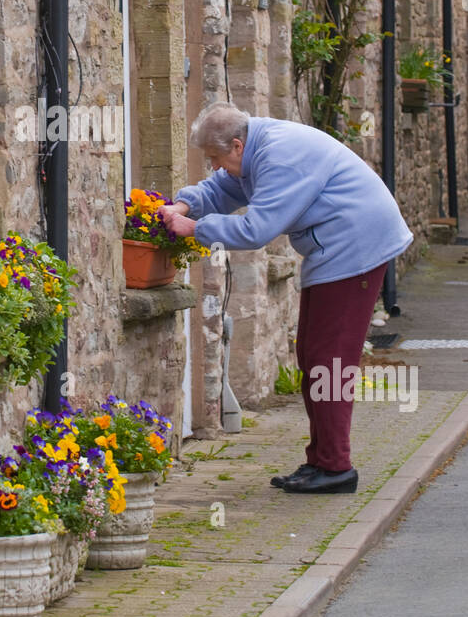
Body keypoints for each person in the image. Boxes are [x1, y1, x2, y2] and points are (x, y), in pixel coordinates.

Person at [162, 103, 413, 494]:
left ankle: (336, 467)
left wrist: (194, 227)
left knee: (329, 361)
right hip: (333, 247)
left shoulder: (281, 157)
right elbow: (223, 188)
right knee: (312, 355)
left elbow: (257, 229)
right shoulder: (255, 150)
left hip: (357, 245)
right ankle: (321, 460)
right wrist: (183, 205)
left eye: (215, 157)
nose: (213, 166)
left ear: (237, 145)